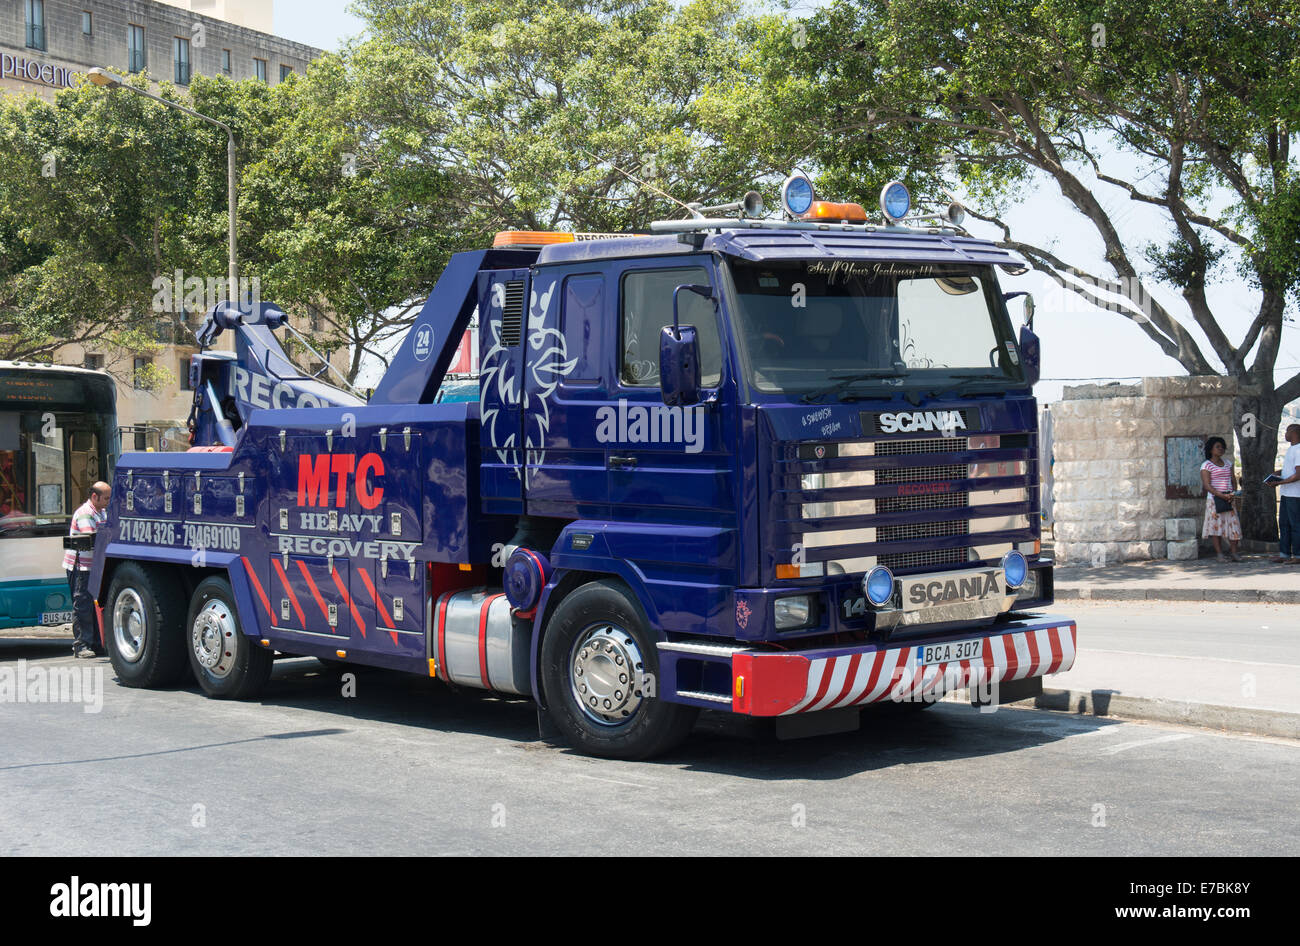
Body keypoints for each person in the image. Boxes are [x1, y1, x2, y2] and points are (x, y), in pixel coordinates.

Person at [64, 481, 111, 658]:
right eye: (106, 498)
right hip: (81, 567)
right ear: (94, 497)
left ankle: (97, 644)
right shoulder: (85, 513)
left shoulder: (102, 512)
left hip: (94, 565)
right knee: (83, 605)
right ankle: (81, 645)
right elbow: (94, 539)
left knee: (96, 605)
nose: (108, 501)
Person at [1200, 437, 1241, 562]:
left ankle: (1234, 553)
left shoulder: (1228, 463)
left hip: (1229, 498)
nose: (1221, 449)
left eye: (1222, 447)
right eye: (1217, 447)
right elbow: (1207, 485)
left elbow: (1233, 480)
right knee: (1216, 527)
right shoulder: (1206, 465)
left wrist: (1232, 493)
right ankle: (1219, 554)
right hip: (1214, 500)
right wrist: (1220, 495)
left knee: (1234, 526)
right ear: (1211, 449)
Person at [1268, 423, 1300, 564]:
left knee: (1296, 525)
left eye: (1287, 431)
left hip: (1296, 495)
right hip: (1287, 494)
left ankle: (1298, 555)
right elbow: (1291, 469)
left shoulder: (1299, 450)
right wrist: (1279, 473)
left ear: (1294, 432)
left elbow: (1298, 474)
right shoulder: (1292, 449)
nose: (1285, 434)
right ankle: (1284, 553)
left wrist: (1279, 483)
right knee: (1284, 524)